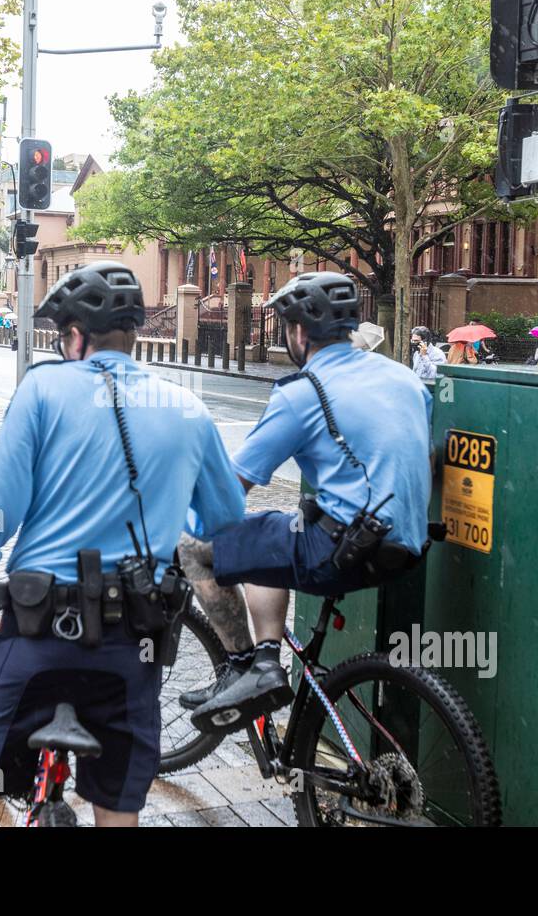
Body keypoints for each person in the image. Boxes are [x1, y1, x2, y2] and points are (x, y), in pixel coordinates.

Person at [0, 261, 244, 827]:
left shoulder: (43, 388)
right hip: (133, 646)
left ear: (74, 335)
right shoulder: (189, 409)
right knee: (118, 806)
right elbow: (224, 521)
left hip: (37, 637)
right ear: (133, 333)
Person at [177, 272, 435, 733]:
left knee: (196, 548)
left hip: (342, 552)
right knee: (270, 533)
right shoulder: (406, 380)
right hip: (408, 548)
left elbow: (229, 495)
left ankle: (246, 667)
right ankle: (267, 661)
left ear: (297, 332)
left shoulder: (301, 394)